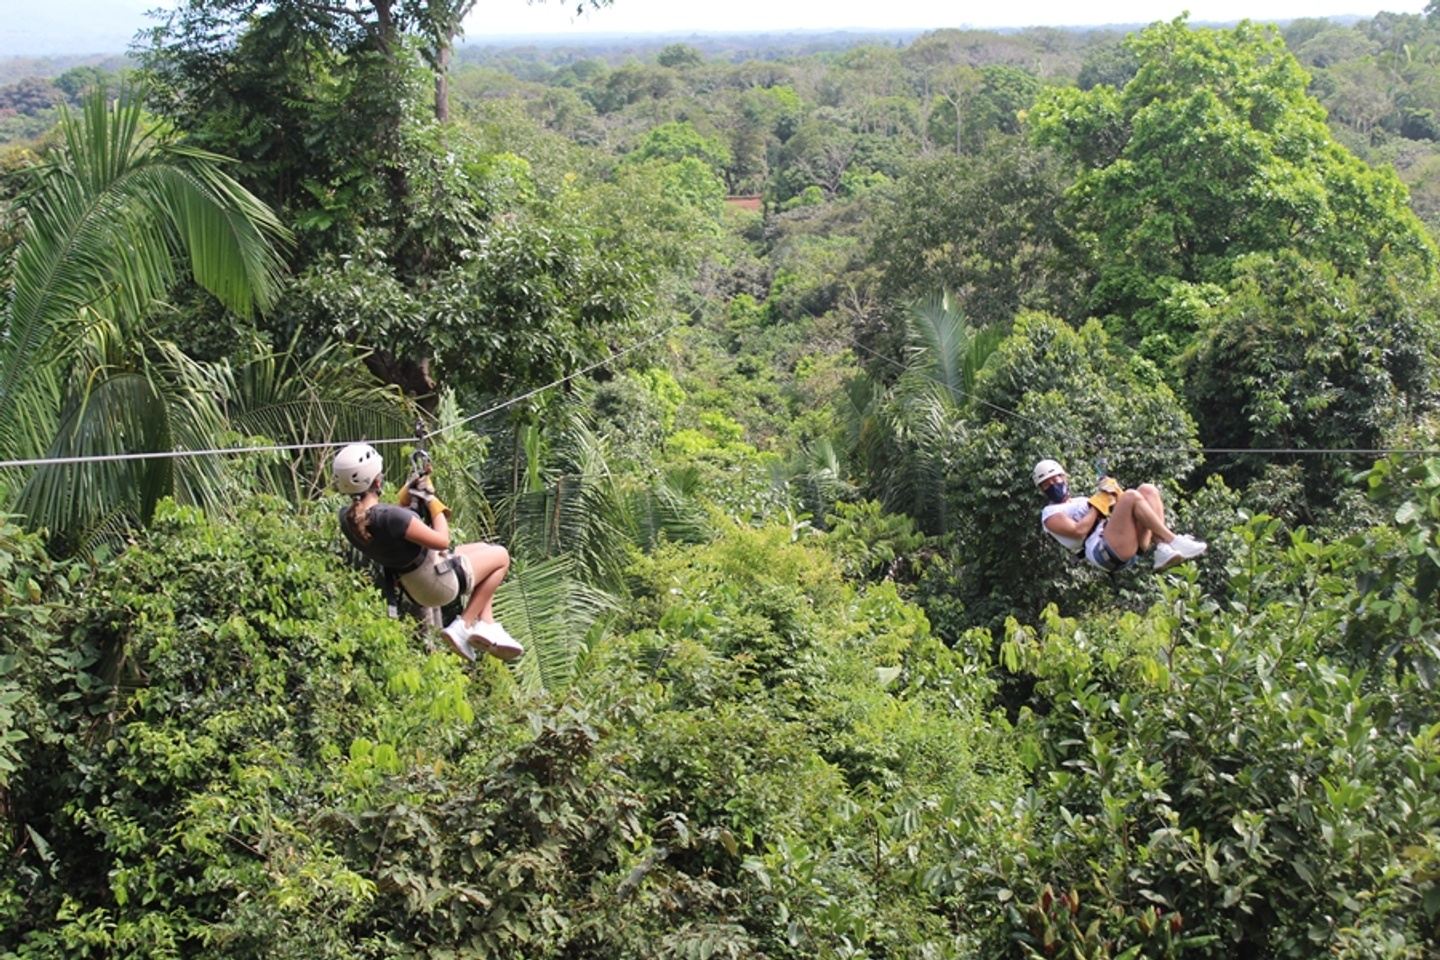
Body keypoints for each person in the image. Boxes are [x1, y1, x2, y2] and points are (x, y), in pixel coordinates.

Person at [332, 442, 523, 663]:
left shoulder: (349, 519)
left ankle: (486, 623)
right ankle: (464, 626)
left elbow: (394, 522)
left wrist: (409, 491)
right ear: (377, 480)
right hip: (437, 584)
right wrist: (434, 503)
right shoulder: (390, 517)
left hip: (415, 585)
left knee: (484, 550)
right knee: (500, 556)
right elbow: (442, 541)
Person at [1033, 458, 1207, 573]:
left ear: (1064, 478)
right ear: (1041, 490)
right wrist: (1098, 503)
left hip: (1125, 542)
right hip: (1103, 551)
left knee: (1148, 490)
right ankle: (1173, 540)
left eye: (1056, 479)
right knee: (1131, 495)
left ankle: (1162, 547)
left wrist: (1113, 492)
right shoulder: (1050, 515)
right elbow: (1079, 530)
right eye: (1046, 484)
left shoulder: (1080, 500)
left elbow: (1127, 509)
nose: (1053, 485)